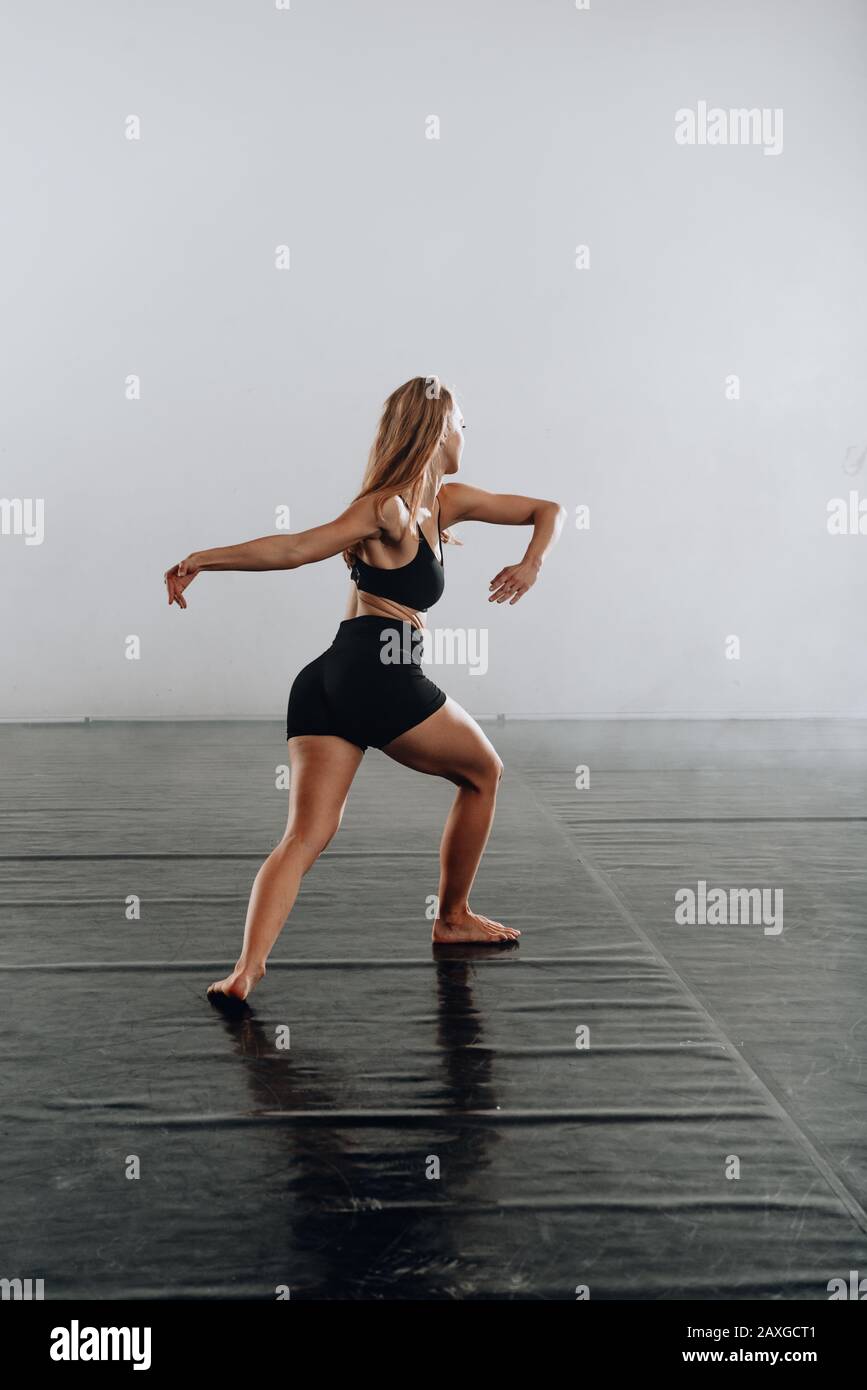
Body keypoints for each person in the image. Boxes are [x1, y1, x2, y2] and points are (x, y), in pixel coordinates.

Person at [164, 377, 565, 1001]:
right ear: (435, 431)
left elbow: (547, 510)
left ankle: (246, 972)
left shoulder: (446, 501)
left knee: (306, 835)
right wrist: (202, 559)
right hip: (379, 674)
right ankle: (453, 917)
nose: (467, 433)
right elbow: (297, 547)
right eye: (461, 421)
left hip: (328, 680)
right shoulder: (390, 509)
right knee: (485, 772)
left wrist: (531, 563)